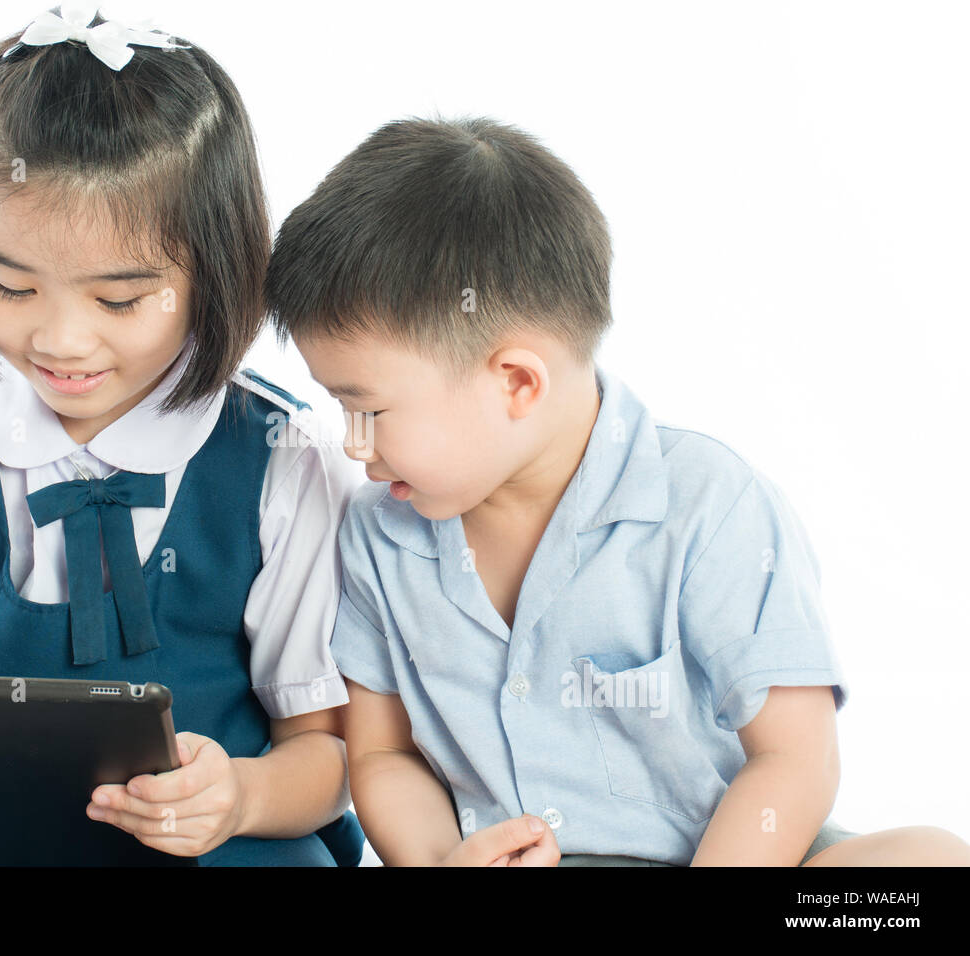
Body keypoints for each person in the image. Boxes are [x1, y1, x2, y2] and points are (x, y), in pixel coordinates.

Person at [263, 114, 970, 866]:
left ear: (516, 381)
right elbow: (383, 756)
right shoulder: (380, 536)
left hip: (733, 855)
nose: (352, 442)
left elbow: (795, 760)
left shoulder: (709, 506)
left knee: (926, 863)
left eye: (367, 408)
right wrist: (442, 859)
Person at [0, 4, 364, 867]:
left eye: (120, 300)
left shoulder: (283, 459)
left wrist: (238, 796)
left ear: (217, 268)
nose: (62, 341)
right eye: (10, 287)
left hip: (210, 850)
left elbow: (330, 756)